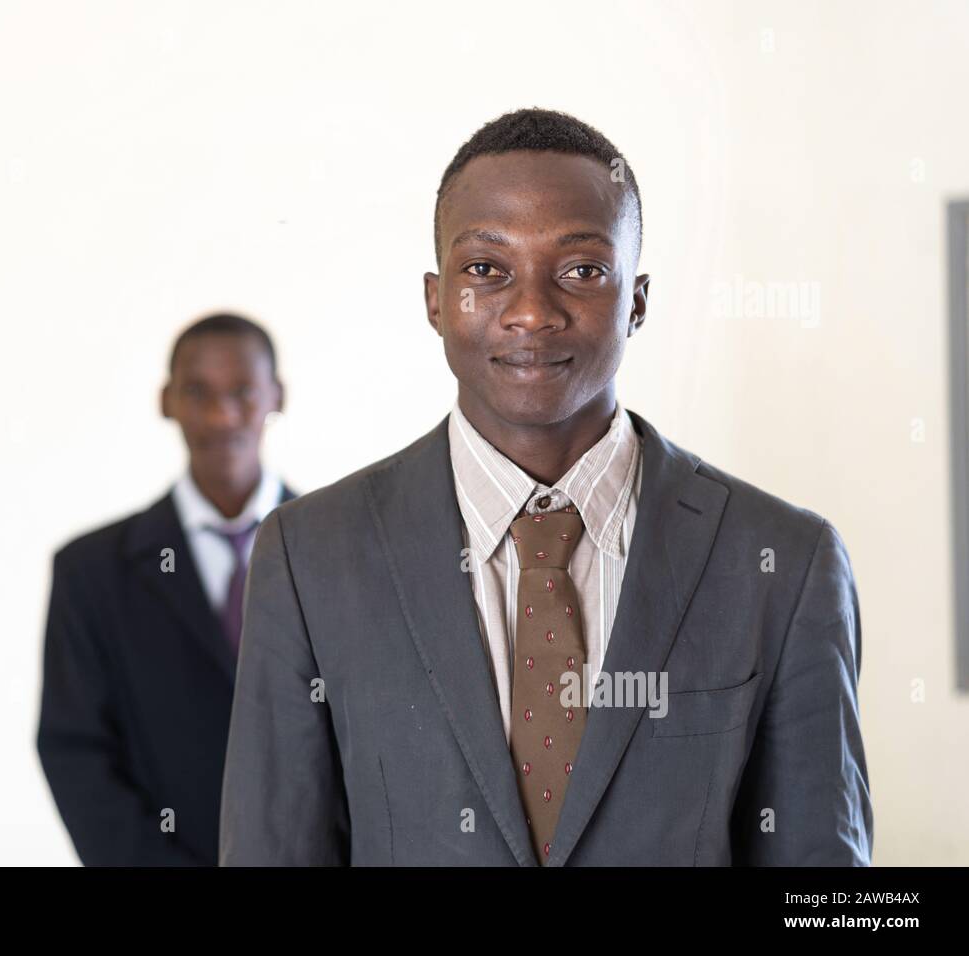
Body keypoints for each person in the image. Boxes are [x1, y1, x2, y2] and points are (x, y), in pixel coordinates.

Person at [219, 109, 873, 866]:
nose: (532, 311)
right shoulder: (311, 556)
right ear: (436, 300)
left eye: (583, 271)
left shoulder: (782, 562)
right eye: (487, 271)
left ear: (638, 300)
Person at [38, 313, 297, 865]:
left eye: (243, 392)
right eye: (197, 391)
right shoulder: (91, 572)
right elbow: (75, 750)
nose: (221, 414)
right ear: (166, 401)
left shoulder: (349, 550)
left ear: (278, 396)